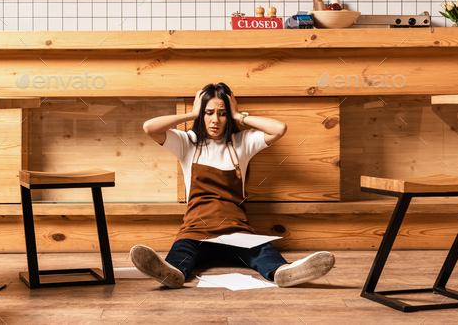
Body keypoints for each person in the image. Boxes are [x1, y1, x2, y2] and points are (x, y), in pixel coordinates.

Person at [130, 83, 334, 288]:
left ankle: (283, 272)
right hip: (196, 230)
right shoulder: (187, 142)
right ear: (201, 114)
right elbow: (149, 127)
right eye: (208, 112)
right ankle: (172, 274)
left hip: (236, 231)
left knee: (262, 251)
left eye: (223, 113)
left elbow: (279, 129)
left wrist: (240, 116)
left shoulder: (242, 142)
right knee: (182, 251)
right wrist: (192, 113)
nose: (215, 120)